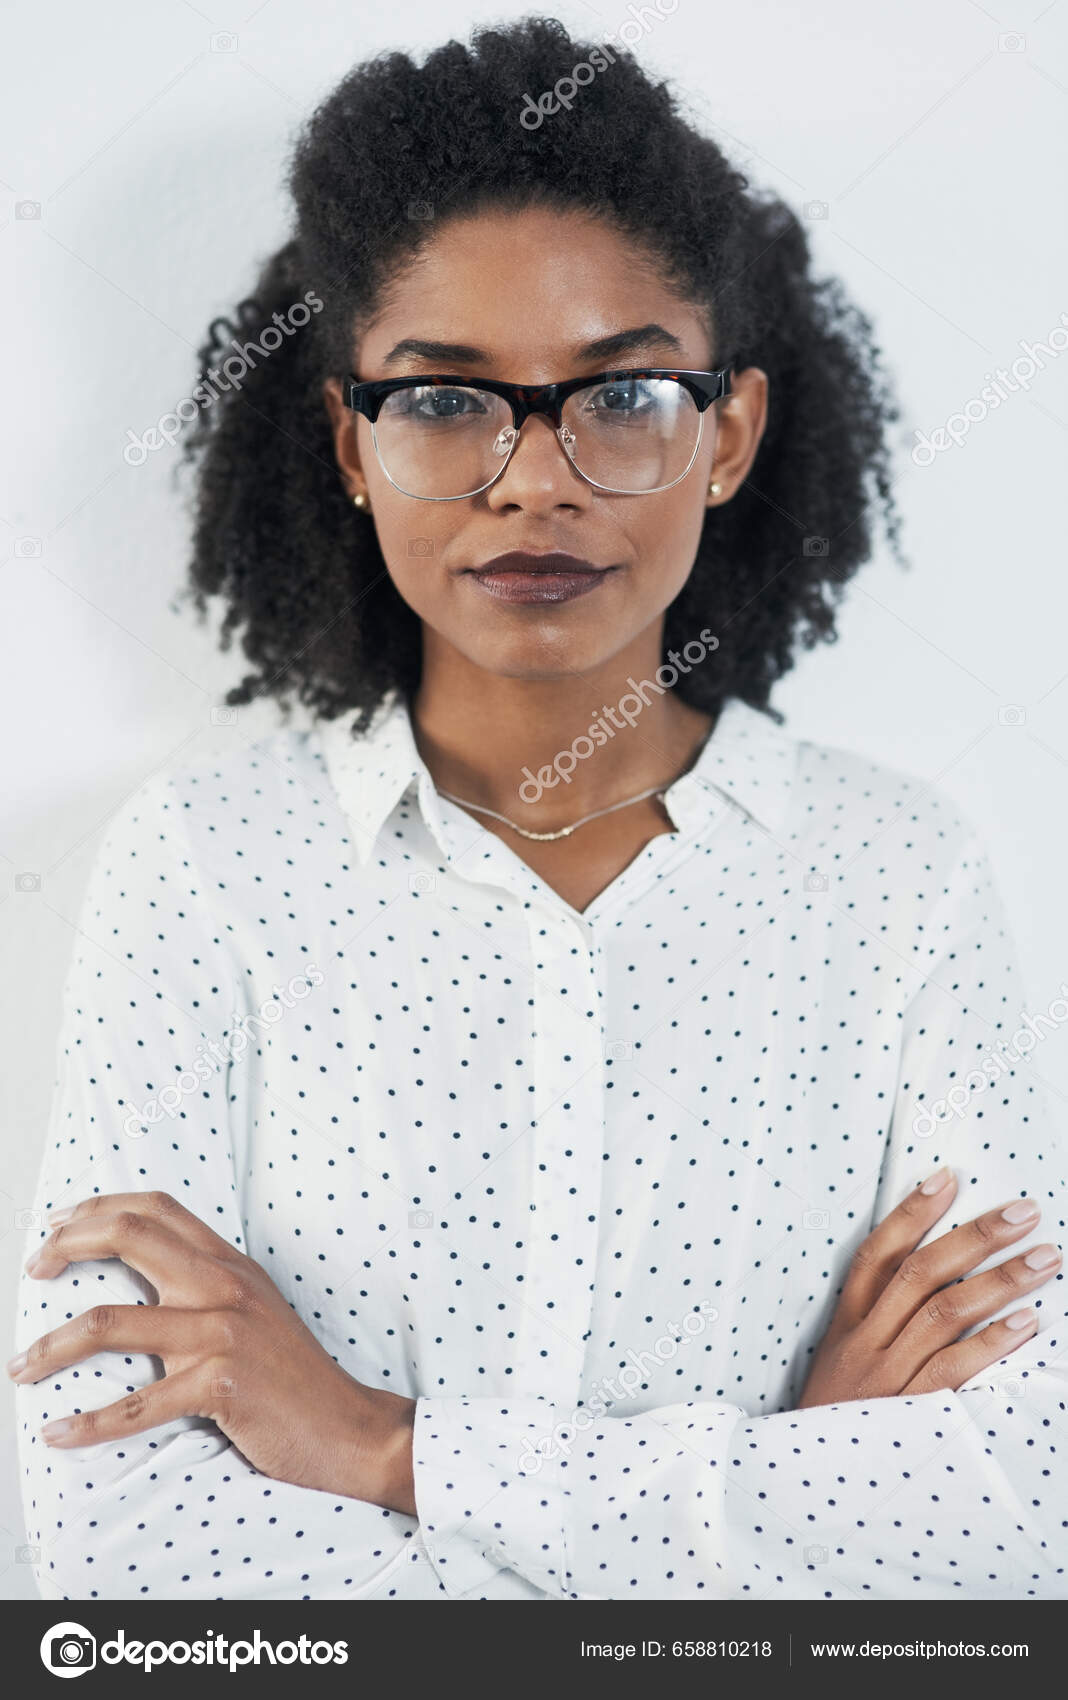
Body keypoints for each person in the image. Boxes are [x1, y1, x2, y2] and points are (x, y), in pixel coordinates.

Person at [11, 17, 1065, 1601]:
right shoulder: (205, 869)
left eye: (623, 393)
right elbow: (124, 1543)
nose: (532, 482)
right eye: (444, 403)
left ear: (729, 435)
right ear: (350, 446)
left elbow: (1010, 1509)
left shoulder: (899, 876)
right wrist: (774, 1492)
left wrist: (380, 1445)